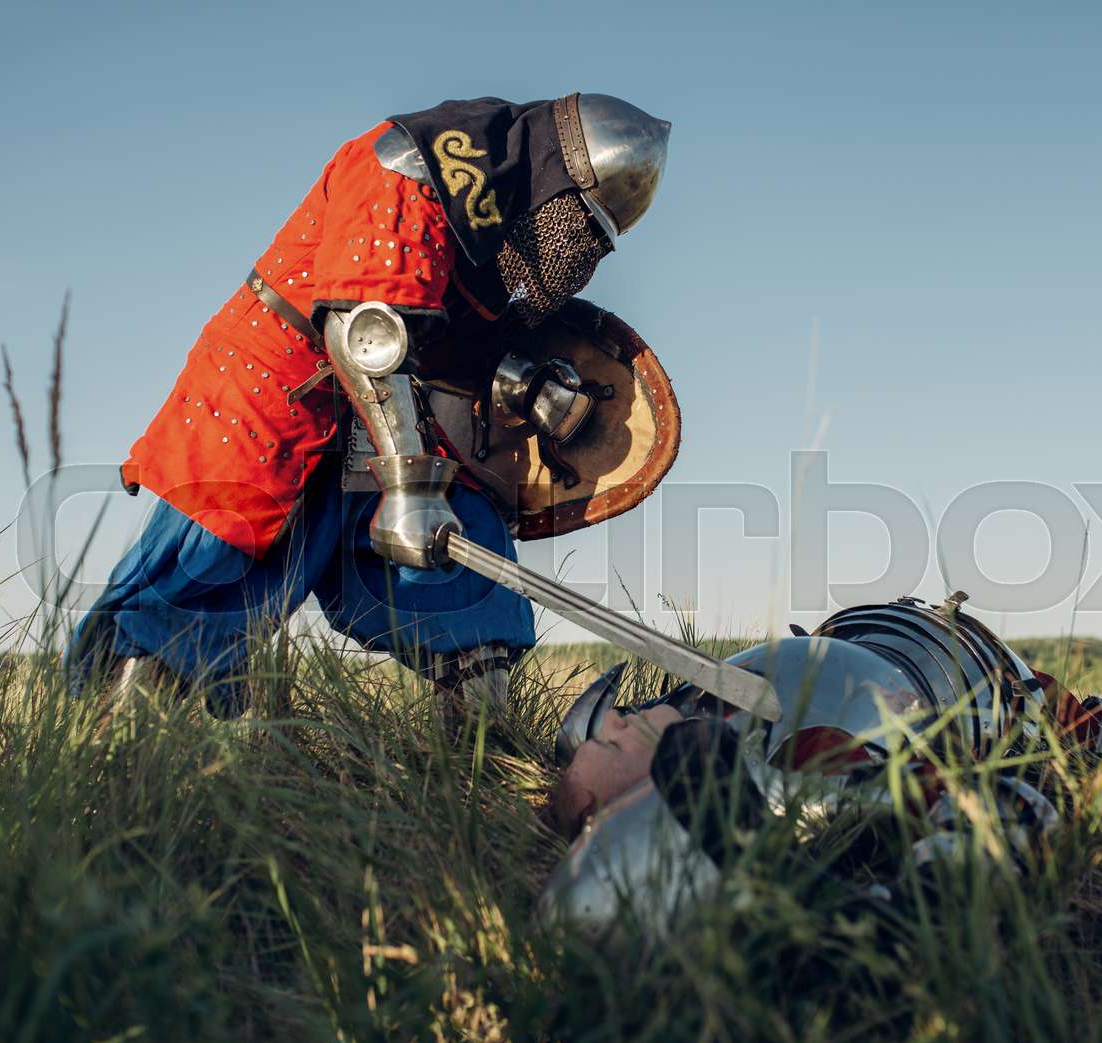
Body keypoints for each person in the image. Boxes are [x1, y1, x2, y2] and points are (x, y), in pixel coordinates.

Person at [66, 95, 672, 721]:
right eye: (577, 223)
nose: (572, 251)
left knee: (469, 569)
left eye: (592, 240)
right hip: (273, 386)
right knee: (208, 570)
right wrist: (412, 490)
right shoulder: (411, 164)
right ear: (554, 179)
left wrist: (524, 381)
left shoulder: (490, 235)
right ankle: (119, 757)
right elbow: (369, 330)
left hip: (391, 416)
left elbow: (453, 352)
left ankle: (478, 762)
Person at [541, 596, 1102, 939]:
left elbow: (833, 678)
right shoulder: (743, 765)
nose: (623, 714)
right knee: (972, 805)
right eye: (613, 734)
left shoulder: (716, 700)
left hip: (980, 681)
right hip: (973, 728)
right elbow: (855, 757)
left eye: (616, 716)